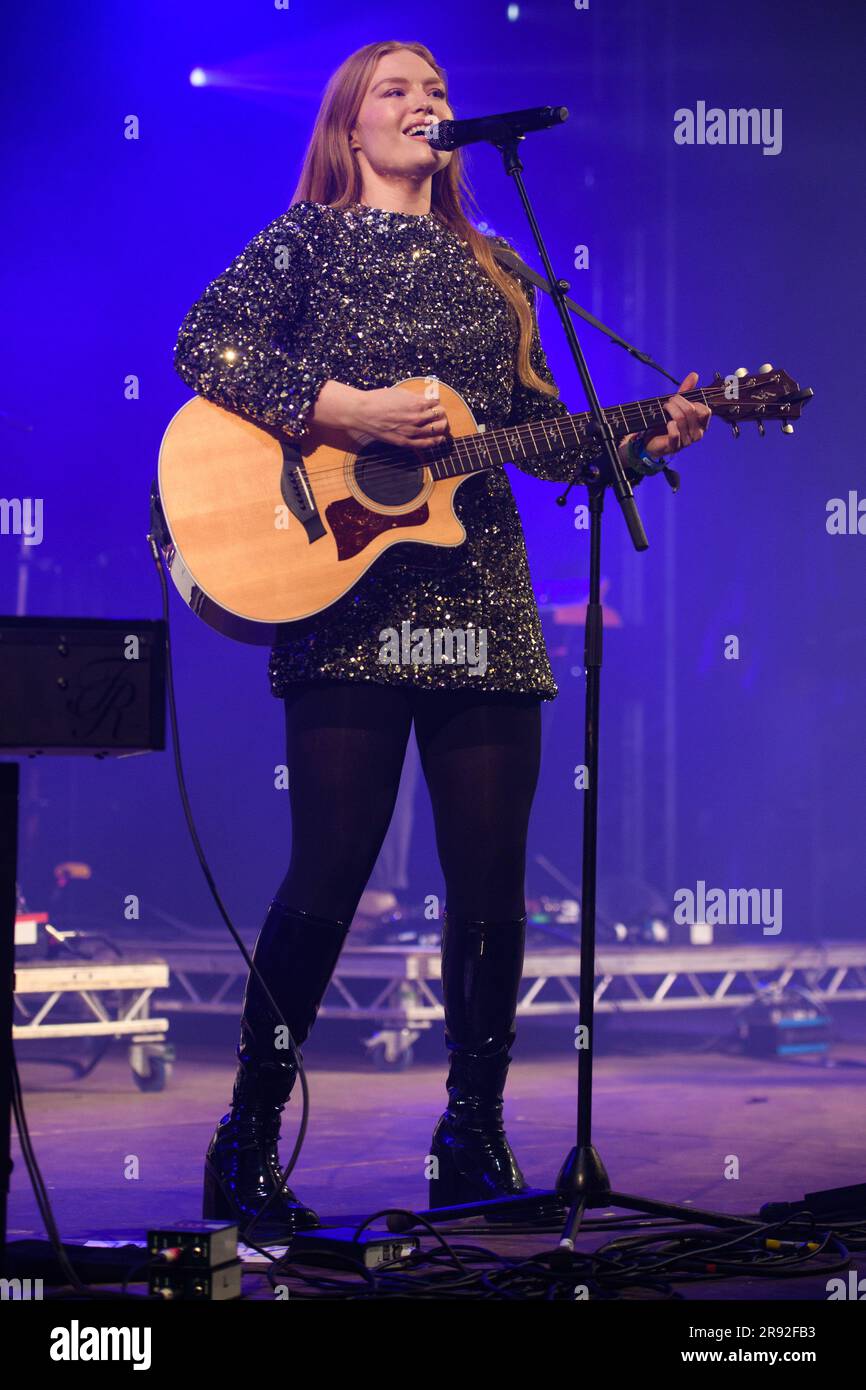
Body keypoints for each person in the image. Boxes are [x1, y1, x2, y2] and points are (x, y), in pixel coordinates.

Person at [173, 39, 710, 1239]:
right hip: (345, 595)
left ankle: (471, 1136)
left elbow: (538, 435)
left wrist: (642, 437)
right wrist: (345, 408)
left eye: (438, 92)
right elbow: (204, 345)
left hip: (479, 596)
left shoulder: (498, 267)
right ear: (348, 128)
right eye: (396, 91)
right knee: (327, 871)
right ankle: (246, 1135)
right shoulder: (302, 241)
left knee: (488, 880)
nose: (427, 104)